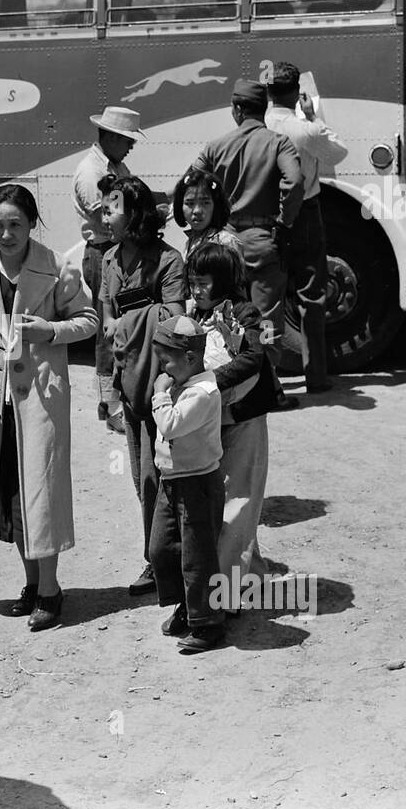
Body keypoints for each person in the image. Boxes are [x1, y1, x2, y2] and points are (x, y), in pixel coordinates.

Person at [0, 184, 98, 631]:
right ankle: (30, 585)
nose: (6, 234)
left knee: (40, 494)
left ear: (32, 223)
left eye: (15, 224)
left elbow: (88, 320)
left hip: (40, 398)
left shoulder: (57, 266)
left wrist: (48, 330)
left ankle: (50, 591)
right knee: (9, 496)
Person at [96, 175, 187, 598]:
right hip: (127, 383)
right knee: (140, 476)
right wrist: (107, 394)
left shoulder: (168, 261)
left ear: (134, 214)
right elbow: (104, 327)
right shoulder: (109, 258)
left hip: (163, 386)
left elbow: (174, 319)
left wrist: (124, 323)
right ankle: (157, 558)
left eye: (111, 207)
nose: (103, 213)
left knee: (162, 473)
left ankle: (168, 560)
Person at [191, 78, 303, 410]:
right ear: (263, 108)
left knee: (225, 316)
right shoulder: (278, 143)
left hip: (225, 244)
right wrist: (285, 220)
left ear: (237, 109)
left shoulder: (216, 146)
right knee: (266, 321)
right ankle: (269, 391)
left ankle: (223, 387)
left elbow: (190, 182)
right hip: (263, 241)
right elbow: (294, 181)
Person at [184, 242, 279, 613]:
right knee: (224, 504)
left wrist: (208, 382)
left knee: (238, 503)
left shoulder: (246, 313)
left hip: (244, 421)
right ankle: (251, 579)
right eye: (192, 282)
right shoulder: (195, 314)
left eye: (204, 282)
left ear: (222, 281)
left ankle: (222, 600)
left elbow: (255, 356)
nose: (196, 289)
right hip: (211, 424)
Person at [265, 61, 349, 395]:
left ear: (268, 92)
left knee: (267, 299)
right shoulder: (305, 130)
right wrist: (312, 116)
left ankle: (267, 378)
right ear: (297, 92)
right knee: (311, 296)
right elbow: (339, 152)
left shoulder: (261, 128)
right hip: (306, 215)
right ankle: (316, 376)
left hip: (268, 218)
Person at [146, 316, 226, 653]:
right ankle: (185, 605)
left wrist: (159, 395)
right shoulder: (182, 383)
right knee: (162, 549)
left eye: (166, 360)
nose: (162, 369)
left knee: (197, 557)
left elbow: (171, 424)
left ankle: (208, 624)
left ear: (191, 359)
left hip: (197, 484)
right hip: (172, 480)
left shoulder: (203, 392)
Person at [73, 106, 145, 434]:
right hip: (103, 253)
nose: (131, 145)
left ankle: (114, 402)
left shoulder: (114, 165)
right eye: (128, 139)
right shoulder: (92, 172)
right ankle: (109, 405)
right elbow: (110, 213)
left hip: (113, 250)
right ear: (113, 137)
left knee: (118, 326)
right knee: (107, 331)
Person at [172, 166, 242, 262]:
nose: (197, 211)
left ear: (216, 205)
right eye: (190, 203)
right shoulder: (191, 241)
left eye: (205, 203)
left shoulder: (225, 243)